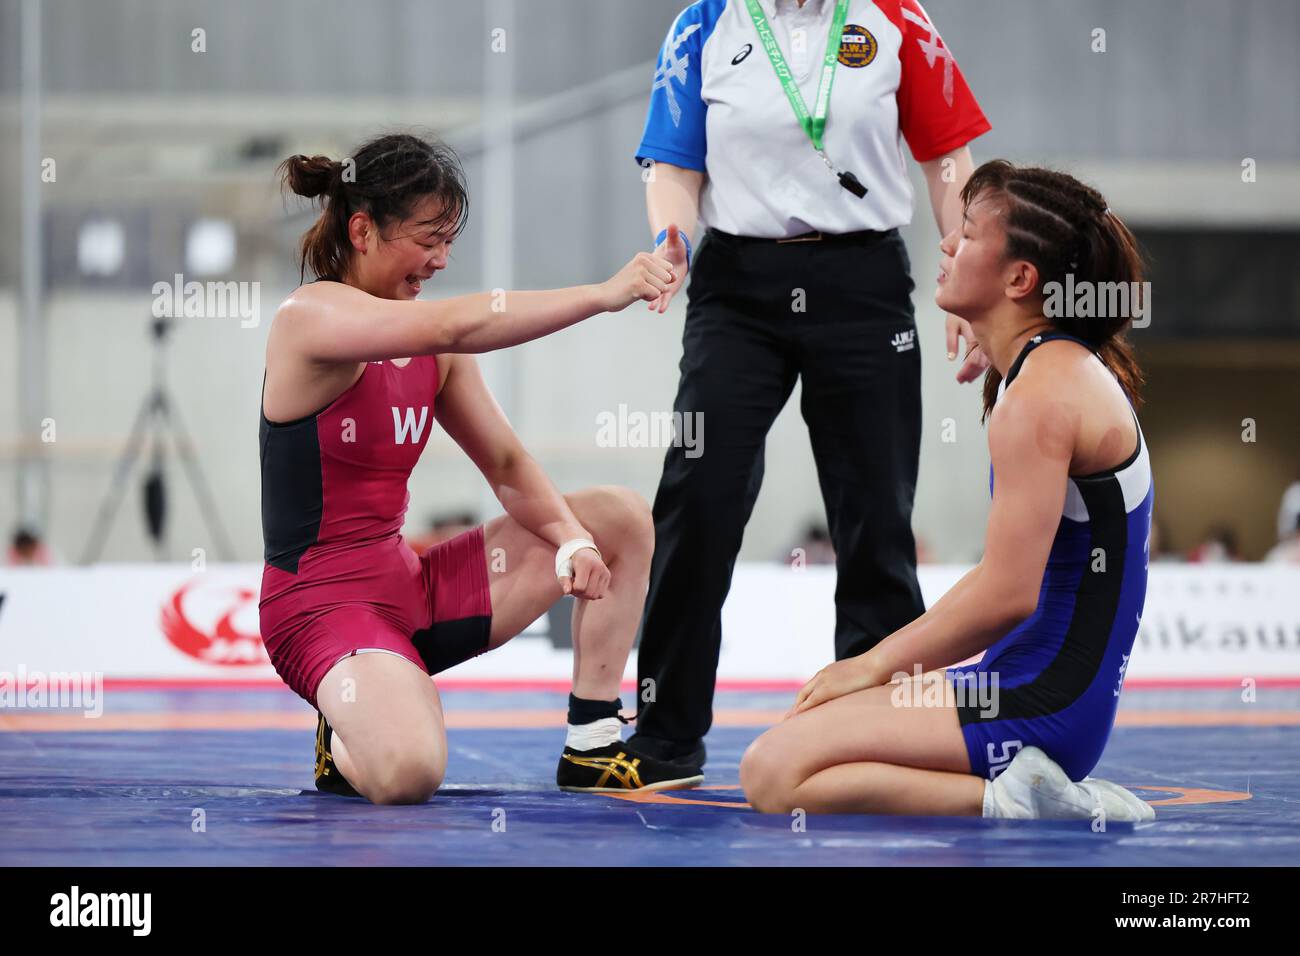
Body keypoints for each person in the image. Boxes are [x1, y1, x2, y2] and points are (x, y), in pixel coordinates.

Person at [260, 132, 699, 804]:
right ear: (363, 230)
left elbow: (505, 463)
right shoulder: (310, 319)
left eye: (449, 241)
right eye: (428, 239)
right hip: (322, 610)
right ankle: (347, 727)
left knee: (618, 517)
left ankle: (591, 742)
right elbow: (454, 326)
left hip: (410, 592)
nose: (441, 259)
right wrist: (602, 293)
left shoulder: (429, 342)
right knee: (410, 774)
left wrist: (571, 538)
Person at [627, 0, 993, 775]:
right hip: (737, 287)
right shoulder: (704, 23)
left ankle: (882, 729)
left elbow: (948, 157)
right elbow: (673, 164)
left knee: (876, 512)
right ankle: (665, 736)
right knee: (699, 494)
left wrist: (972, 275)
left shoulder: (895, 16)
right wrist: (671, 241)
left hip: (862, 281)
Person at [739, 161, 1156, 822]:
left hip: (1043, 700)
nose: (946, 245)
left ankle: (1017, 801)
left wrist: (873, 665)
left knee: (773, 770)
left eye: (966, 233)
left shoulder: (1042, 393)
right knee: (803, 737)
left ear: (1020, 279)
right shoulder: (1053, 365)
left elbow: (1006, 595)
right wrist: (997, 337)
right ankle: (1020, 790)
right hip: (1032, 682)